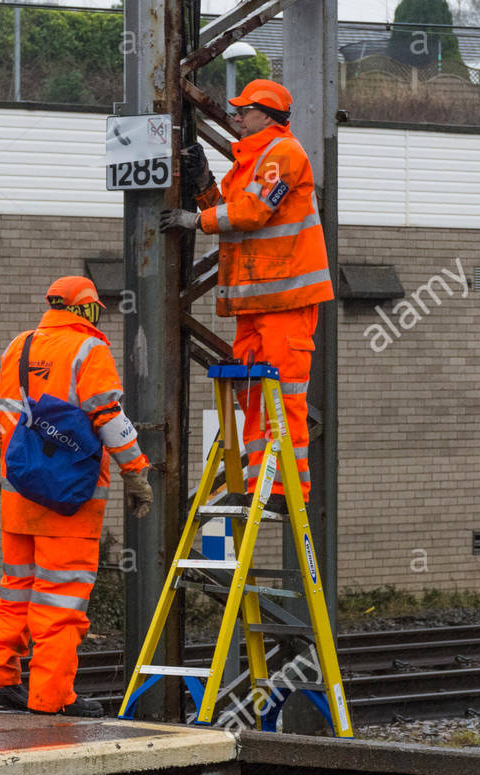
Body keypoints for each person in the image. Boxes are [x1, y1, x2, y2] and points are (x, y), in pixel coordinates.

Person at [0, 276, 153, 717]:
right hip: (70, 502)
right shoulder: (89, 350)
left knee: (17, 589)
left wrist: (27, 472)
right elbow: (108, 416)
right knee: (62, 598)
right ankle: (51, 698)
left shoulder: (20, 346)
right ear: (86, 310)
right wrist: (135, 471)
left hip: (18, 495)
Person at [162, 78, 332, 505]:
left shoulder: (283, 155)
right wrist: (204, 188)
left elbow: (253, 213)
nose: (235, 116)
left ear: (267, 115)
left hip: (285, 301)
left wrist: (193, 220)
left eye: (243, 110)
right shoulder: (250, 162)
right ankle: (261, 482)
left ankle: (286, 488)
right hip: (254, 301)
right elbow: (231, 213)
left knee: (284, 394)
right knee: (254, 392)